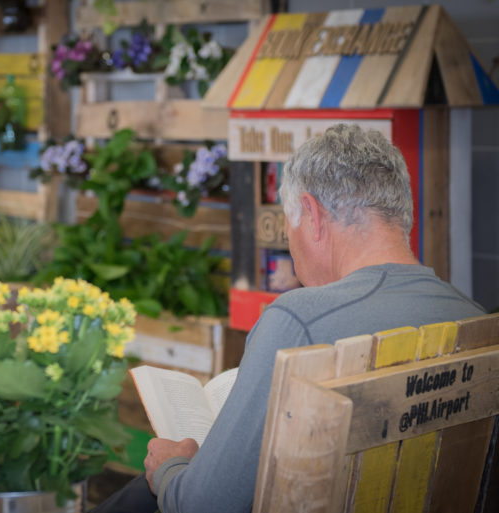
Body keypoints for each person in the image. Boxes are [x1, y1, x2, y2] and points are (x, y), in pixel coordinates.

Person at [91, 124, 484, 513]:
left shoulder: (300, 322)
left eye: (288, 226)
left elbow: (203, 505)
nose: (290, 248)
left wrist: (170, 468)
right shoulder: (475, 319)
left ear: (311, 215)